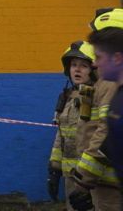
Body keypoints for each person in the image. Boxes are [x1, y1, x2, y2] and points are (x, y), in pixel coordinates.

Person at [69, 9, 123, 211]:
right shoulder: (109, 87)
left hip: (108, 184)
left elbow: (104, 134)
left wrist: (83, 180)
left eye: (99, 55)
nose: (94, 63)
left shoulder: (112, 88)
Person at [49, 41, 97, 208]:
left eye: (83, 66)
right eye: (74, 65)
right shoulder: (68, 97)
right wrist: (54, 169)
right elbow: (61, 135)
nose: (77, 69)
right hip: (71, 175)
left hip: (91, 179)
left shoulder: (97, 98)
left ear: (93, 70)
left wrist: (88, 179)